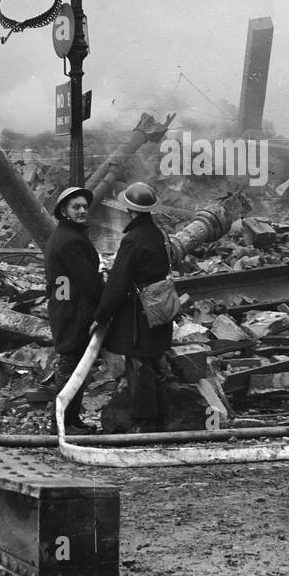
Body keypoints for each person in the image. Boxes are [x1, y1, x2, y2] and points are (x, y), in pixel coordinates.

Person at [93, 181, 173, 433]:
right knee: (155, 364)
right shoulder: (158, 233)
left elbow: (118, 282)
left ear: (130, 210)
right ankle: (160, 419)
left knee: (139, 368)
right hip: (158, 309)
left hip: (139, 315)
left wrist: (101, 316)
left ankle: (143, 423)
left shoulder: (133, 240)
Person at [44, 185, 104, 434]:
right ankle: (62, 424)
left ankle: (71, 420)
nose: (82, 211)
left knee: (77, 365)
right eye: (76, 207)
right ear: (64, 211)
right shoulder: (70, 241)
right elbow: (88, 282)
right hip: (73, 312)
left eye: (84, 207)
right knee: (71, 366)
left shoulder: (67, 235)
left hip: (68, 309)